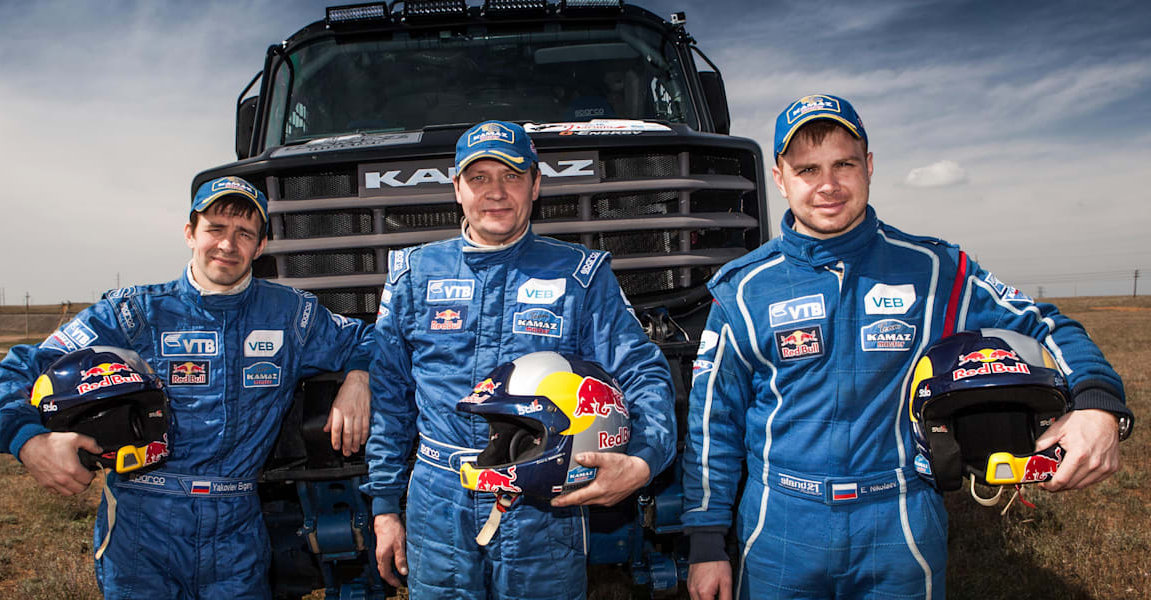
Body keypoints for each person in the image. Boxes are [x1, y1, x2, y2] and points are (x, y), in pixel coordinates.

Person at [681, 94, 1133, 600]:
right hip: (779, 523)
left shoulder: (937, 270)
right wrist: (706, 544)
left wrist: (1098, 404)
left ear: (869, 167)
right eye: (808, 169)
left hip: (899, 521)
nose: (828, 185)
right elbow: (711, 424)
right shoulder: (741, 288)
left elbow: (1045, 323)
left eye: (844, 164)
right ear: (780, 178)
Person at [0, 176, 376, 599]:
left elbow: (371, 340)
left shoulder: (291, 314)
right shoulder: (133, 313)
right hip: (143, 527)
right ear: (190, 234)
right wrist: (28, 441)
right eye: (215, 229)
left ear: (260, 248)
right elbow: (17, 370)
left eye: (244, 234)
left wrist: (359, 376)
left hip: (236, 530)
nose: (227, 245)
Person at [363, 120, 677, 599]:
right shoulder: (413, 273)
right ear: (457, 188)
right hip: (438, 501)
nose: (496, 193)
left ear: (535, 184)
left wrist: (643, 457)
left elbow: (642, 369)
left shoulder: (580, 274)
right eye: (480, 178)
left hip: (542, 501)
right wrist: (385, 506)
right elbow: (388, 397)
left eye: (511, 176)